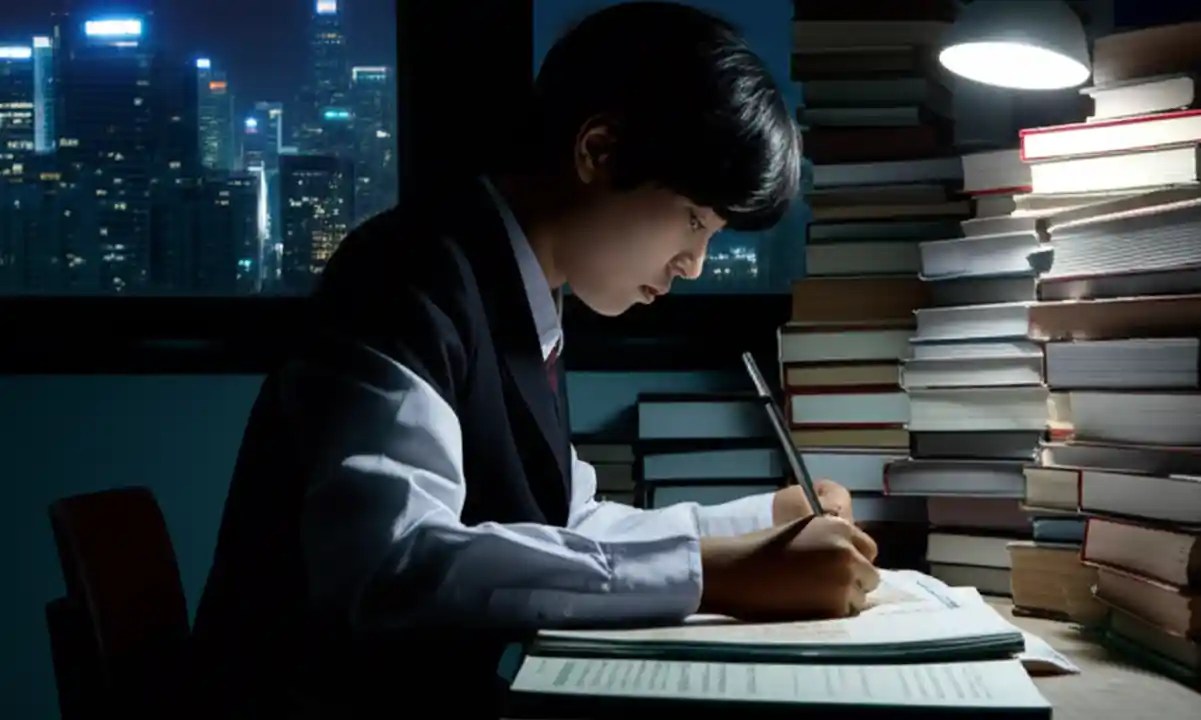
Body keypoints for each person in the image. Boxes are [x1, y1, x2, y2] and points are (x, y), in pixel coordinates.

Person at [189, 2, 880, 717]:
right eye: (695, 220)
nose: (695, 264)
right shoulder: (408, 276)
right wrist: (716, 576)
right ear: (599, 151)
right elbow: (390, 563)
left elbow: (566, 527)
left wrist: (761, 522)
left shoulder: (523, 299)